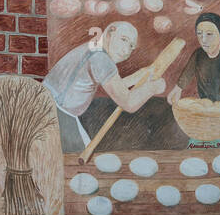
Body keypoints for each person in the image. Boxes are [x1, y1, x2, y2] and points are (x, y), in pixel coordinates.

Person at [44, 21, 167, 153]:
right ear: (110, 32)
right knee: (80, 161)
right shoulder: (102, 59)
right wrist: (153, 88)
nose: (126, 50)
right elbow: (128, 103)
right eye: (123, 40)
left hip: (48, 107)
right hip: (57, 115)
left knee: (84, 154)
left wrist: (140, 75)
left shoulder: (93, 49)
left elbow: (115, 87)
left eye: (131, 46)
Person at [166, 13, 220, 127]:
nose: (203, 40)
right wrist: (177, 89)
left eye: (209, 34)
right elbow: (187, 73)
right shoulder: (198, 54)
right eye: (199, 34)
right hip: (203, 103)